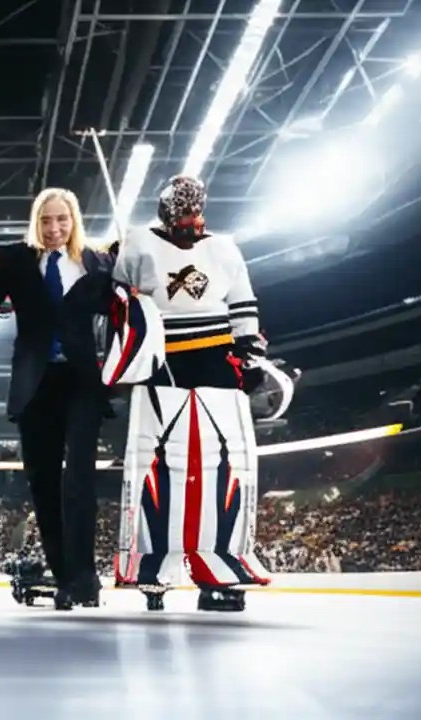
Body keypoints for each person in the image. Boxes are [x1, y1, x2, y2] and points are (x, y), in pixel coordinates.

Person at [109, 175, 273, 611]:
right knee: (156, 462)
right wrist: (122, 292)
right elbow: (120, 301)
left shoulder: (224, 248)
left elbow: (242, 303)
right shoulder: (138, 243)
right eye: (182, 215)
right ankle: (154, 568)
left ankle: (220, 566)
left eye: (196, 214)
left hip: (217, 363)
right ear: (165, 212)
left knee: (226, 464)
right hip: (160, 364)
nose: (191, 223)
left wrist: (249, 355)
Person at [0, 188, 115, 610]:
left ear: (74, 221)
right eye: (46, 220)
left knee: (79, 479)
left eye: (63, 219)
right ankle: (64, 576)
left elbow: (126, 308)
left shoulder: (96, 261)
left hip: (81, 382)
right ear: (35, 223)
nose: (54, 229)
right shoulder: (19, 260)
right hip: (35, 385)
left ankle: (85, 576)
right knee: (42, 483)